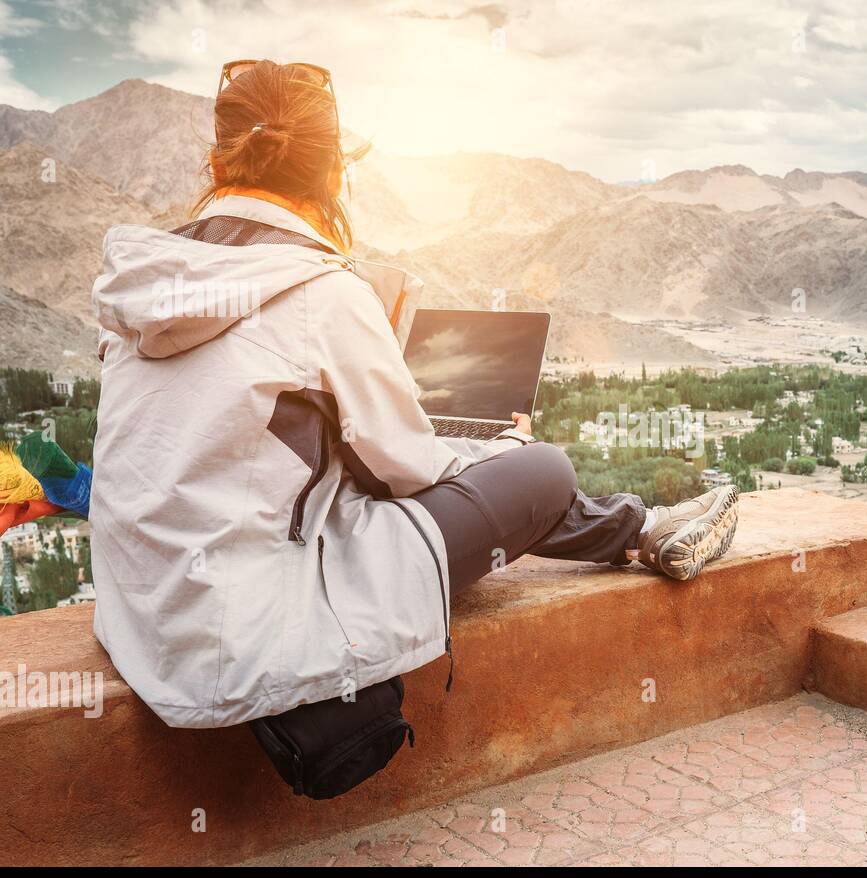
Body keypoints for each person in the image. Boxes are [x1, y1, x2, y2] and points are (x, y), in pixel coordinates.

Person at [89, 59, 739, 730]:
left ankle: (635, 533)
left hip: (145, 619)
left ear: (218, 162)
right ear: (333, 174)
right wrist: (504, 450)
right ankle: (637, 530)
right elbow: (401, 472)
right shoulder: (320, 291)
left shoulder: (146, 285)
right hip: (239, 636)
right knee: (544, 472)